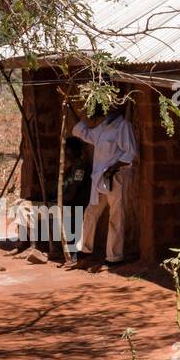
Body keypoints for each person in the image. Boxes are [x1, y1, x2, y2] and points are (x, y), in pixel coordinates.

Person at [69, 101, 137, 268]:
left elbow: (130, 152)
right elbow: (84, 133)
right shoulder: (103, 128)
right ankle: (85, 250)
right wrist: (69, 109)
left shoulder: (123, 126)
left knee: (116, 216)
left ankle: (114, 257)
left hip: (116, 178)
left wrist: (113, 169)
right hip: (100, 179)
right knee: (91, 213)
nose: (107, 110)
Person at [60, 136, 93, 266]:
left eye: (68, 150)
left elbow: (74, 188)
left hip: (77, 202)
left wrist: (65, 201)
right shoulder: (71, 166)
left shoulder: (80, 167)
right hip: (71, 202)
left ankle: (75, 255)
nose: (66, 153)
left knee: (72, 222)